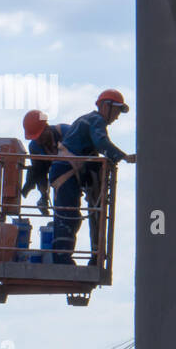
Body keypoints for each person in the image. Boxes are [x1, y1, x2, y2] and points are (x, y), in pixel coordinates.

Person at [48, 90, 135, 264]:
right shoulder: (96, 120)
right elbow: (101, 143)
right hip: (66, 172)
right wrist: (123, 157)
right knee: (68, 215)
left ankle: (62, 257)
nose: (117, 117)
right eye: (117, 111)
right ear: (105, 106)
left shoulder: (85, 120)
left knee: (70, 215)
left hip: (65, 172)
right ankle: (61, 259)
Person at [21, 110, 70, 215]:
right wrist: (44, 195)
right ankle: (43, 199)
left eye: (39, 136)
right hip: (55, 174)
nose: (38, 140)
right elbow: (40, 173)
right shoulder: (34, 146)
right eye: (35, 138)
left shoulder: (65, 132)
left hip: (72, 172)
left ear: (46, 127)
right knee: (37, 170)